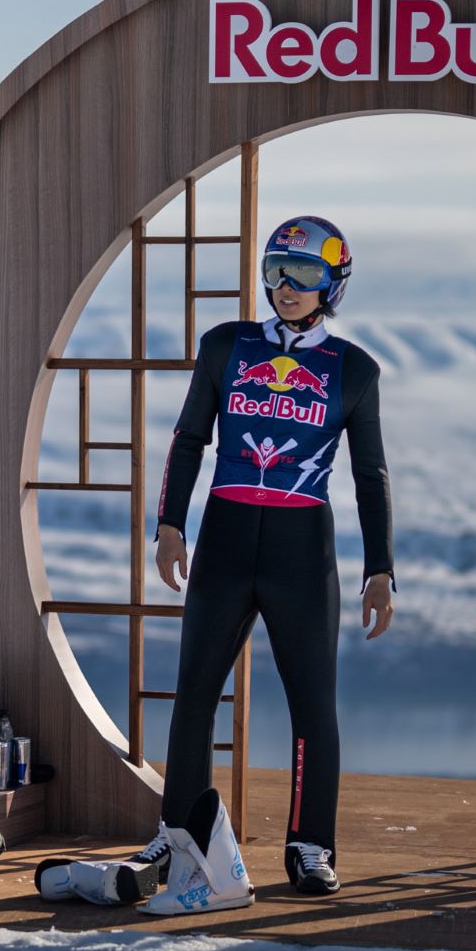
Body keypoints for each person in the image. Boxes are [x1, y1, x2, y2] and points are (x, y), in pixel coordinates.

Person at [148, 215, 395, 899]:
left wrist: (381, 568)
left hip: (301, 547)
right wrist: (169, 523)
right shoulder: (225, 346)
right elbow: (189, 436)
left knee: (314, 703)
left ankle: (311, 845)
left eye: (306, 274)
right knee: (194, 691)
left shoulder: (355, 369)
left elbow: (371, 476)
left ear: (334, 283)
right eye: (276, 270)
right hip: (224, 536)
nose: (287, 287)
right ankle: (178, 835)